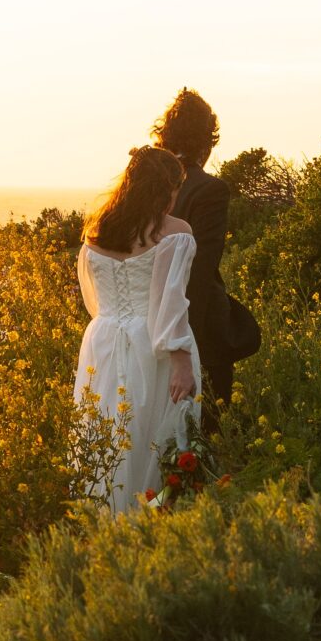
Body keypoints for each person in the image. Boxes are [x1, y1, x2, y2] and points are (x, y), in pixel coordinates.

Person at [73, 145, 202, 512]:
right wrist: (181, 361)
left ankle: (106, 519)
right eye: (175, 189)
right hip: (153, 345)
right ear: (165, 189)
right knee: (153, 437)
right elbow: (170, 304)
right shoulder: (174, 233)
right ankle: (152, 517)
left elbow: (94, 299)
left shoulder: (97, 229)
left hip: (103, 342)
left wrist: (114, 323)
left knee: (111, 430)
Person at [151, 89, 260, 418]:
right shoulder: (210, 189)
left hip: (151, 328)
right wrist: (186, 349)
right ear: (207, 141)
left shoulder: (146, 187)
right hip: (199, 336)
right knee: (209, 434)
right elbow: (199, 271)